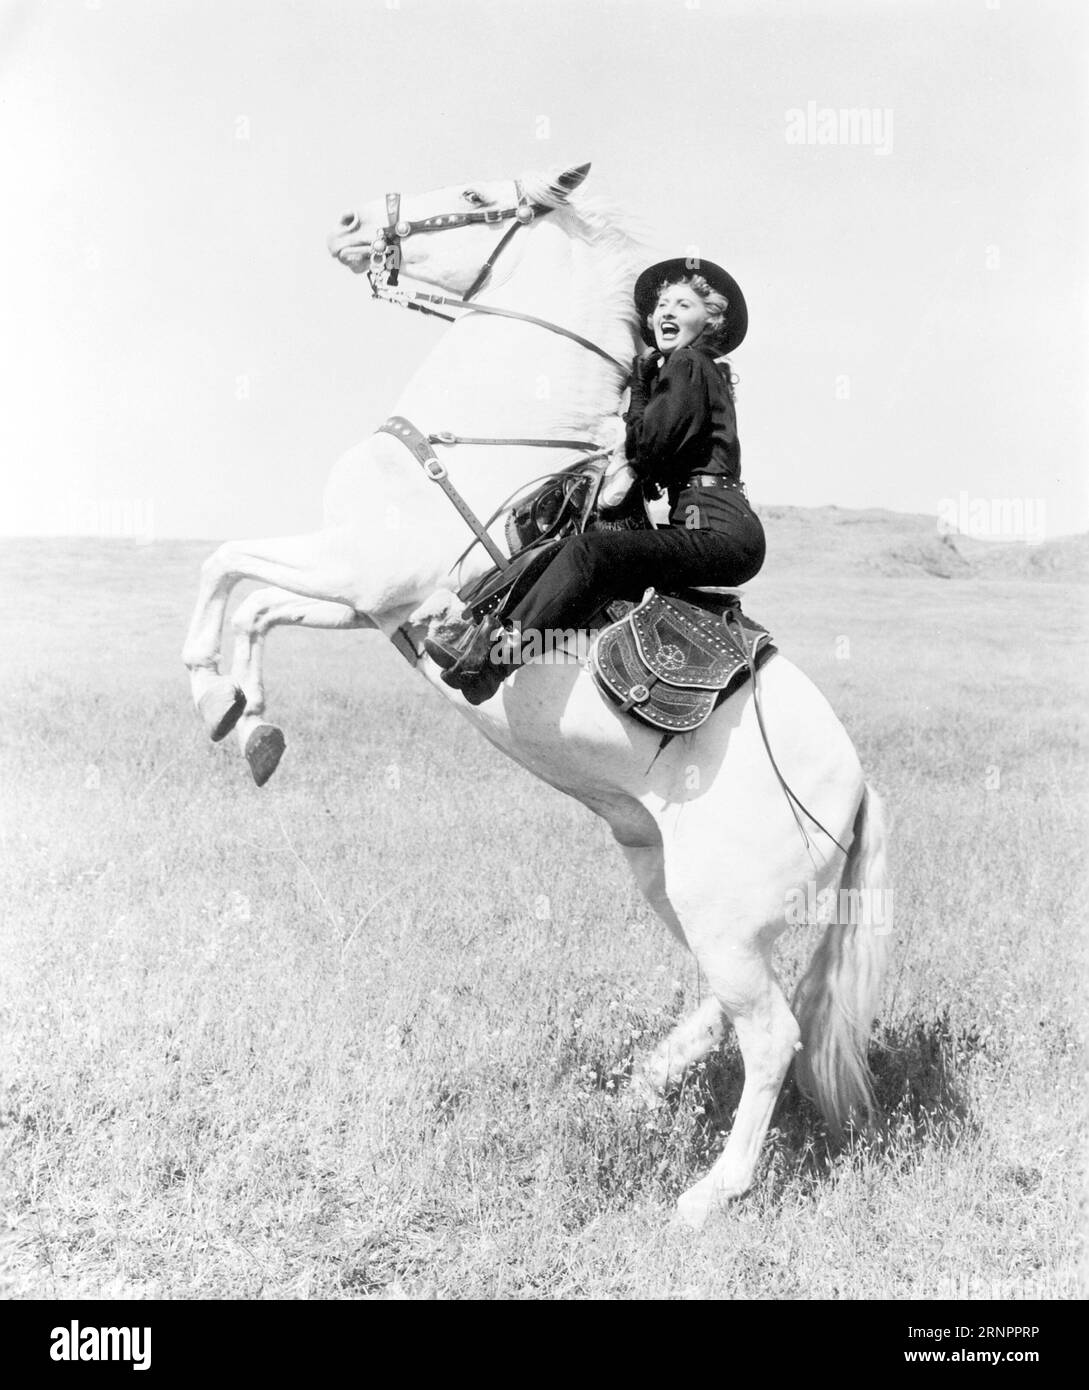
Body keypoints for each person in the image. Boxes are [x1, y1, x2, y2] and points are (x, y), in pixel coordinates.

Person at [426, 257, 766, 705]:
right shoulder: (690, 371)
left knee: (591, 554)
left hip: (721, 534)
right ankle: (480, 628)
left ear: (712, 320)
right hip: (706, 526)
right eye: (661, 304)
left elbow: (647, 448)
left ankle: (492, 657)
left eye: (683, 304)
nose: (666, 311)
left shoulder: (688, 363)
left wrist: (642, 387)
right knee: (577, 549)